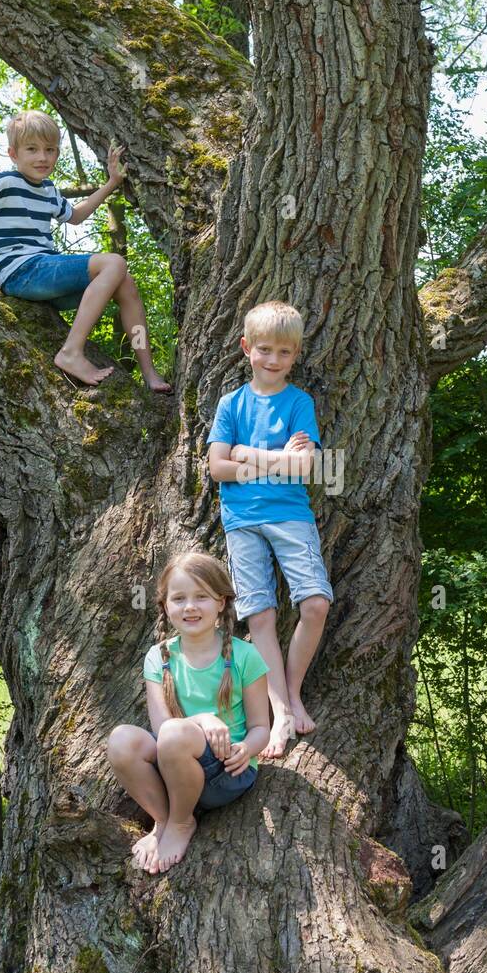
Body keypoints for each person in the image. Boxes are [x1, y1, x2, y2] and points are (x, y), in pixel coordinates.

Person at [0, 109, 171, 392]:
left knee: (125, 283)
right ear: (13, 154)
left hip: (44, 278)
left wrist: (111, 183)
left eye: (50, 150)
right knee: (113, 263)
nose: (42, 157)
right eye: (32, 149)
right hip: (21, 272)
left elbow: (76, 216)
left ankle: (149, 372)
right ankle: (71, 352)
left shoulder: (49, 190)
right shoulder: (1, 183)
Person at [207, 300, 333, 758]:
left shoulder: (299, 402)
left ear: (295, 354)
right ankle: (280, 709)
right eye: (265, 350)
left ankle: (292, 692)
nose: (273, 360)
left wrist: (249, 455)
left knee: (315, 603)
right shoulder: (232, 404)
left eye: (283, 352)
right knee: (259, 614)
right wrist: (278, 460)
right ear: (247, 348)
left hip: (291, 515)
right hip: (242, 521)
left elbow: (304, 469)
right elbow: (217, 468)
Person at [106, 552, 269, 874]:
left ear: (221, 602)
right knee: (122, 739)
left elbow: (261, 727)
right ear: (166, 605)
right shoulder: (159, 656)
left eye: (201, 597)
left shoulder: (245, 656)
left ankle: (181, 824)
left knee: (176, 734)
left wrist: (247, 749)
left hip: (226, 774)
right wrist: (202, 719)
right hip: (174, 768)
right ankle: (164, 820)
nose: (190, 607)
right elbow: (162, 726)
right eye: (179, 598)